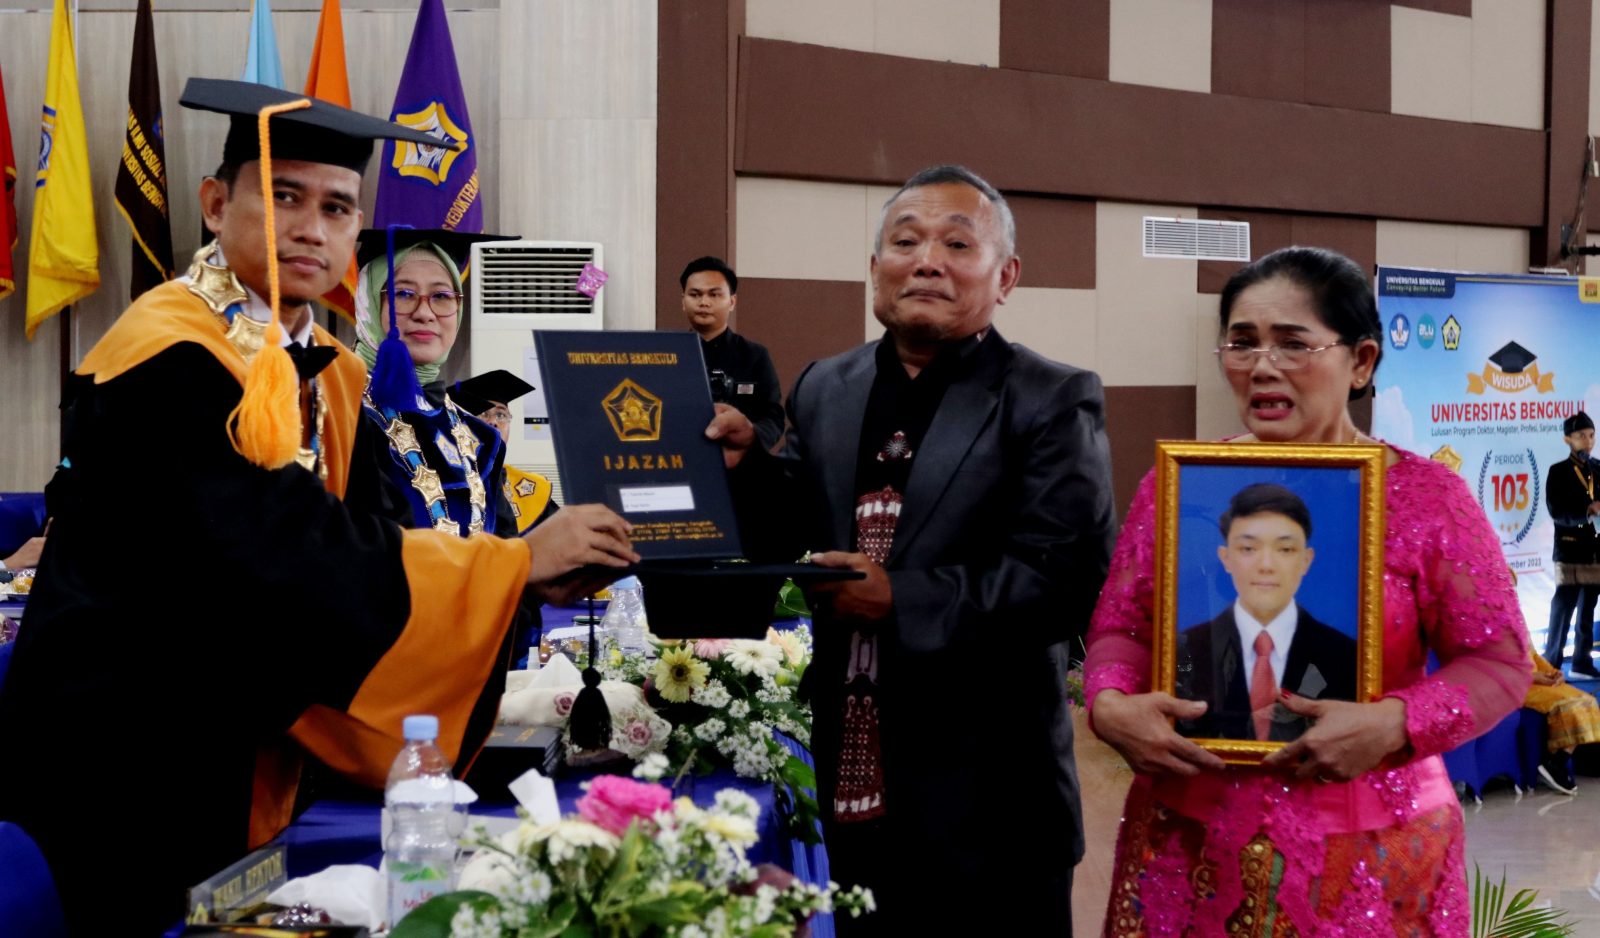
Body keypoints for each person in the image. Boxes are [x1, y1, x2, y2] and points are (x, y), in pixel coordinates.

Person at [0, 80, 638, 934]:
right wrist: (515, 563)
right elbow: (277, 549)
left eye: (338, 208)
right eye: (285, 196)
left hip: (247, 743)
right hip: (129, 749)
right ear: (217, 203)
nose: (311, 227)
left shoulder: (333, 372)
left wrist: (524, 585)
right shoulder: (162, 353)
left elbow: (377, 537)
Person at [708, 165, 1117, 934]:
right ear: (874, 269)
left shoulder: (1050, 397)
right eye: (906, 240)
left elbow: (1064, 578)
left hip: (993, 797)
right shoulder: (828, 385)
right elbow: (798, 512)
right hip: (857, 767)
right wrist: (749, 466)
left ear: (1007, 278)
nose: (927, 259)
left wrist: (903, 598)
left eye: (958, 243)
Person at [1084, 246, 1531, 935]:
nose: (1262, 366)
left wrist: (1395, 723)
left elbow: (1500, 663)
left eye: (1293, 344)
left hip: (1376, 853)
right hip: (1188, 842)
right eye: (1242, 342)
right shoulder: (1180, 491)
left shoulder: (1429, 499)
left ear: (1361, 362)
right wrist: (1110, 705)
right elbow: (1124, 627)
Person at [347, 228, 517, 537]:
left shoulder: (481, 440)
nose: (425, 313)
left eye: (441, 296)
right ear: (368, 302)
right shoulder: (334, 413)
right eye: (403, 294)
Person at [1177, 483, 1357, 742]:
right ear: (1225, 558)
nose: (1266, 566)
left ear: (1306, 560)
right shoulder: (1187, 650)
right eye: (1249, 549)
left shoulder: (1345, 655)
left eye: (1284, 550)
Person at [680, 256, 785, 450]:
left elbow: (773, 417)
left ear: (732, 301)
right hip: (680, 458)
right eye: (695, 294)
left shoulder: (755, 355)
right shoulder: (667, 355)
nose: (704, 302)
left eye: (714, 294)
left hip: (739, 465)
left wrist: (750, 434)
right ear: (683, 302)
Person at [449, 368, 558, 534]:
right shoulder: (448, 481)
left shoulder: (532, 489)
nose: (493, 422)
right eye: (483, 414)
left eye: (501, 415)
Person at [1543, 411, 1600, 676]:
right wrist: (1587, 510)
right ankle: (1551, 663)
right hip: (1568, 549)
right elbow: (1558, 512)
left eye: (1591, 435)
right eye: (1581, 436)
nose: (1587, 442)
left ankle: (1582, 663)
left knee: (1588, 607)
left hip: (1594, 550)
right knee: (1564, 607)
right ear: (1568, 439)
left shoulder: (1598, 469)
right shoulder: (1558, 472)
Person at [1527, 649, 1600, 795]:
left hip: (1540, 683)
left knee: (1588, 700)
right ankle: (1554, 764)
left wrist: (1554, 673)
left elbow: (1534, 655)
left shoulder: (1519, 627)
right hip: (1519, 687)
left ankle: (1558, 761)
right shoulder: (1493, 632)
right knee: (1569, 706)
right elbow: (1499, 670)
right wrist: (1532, 676)